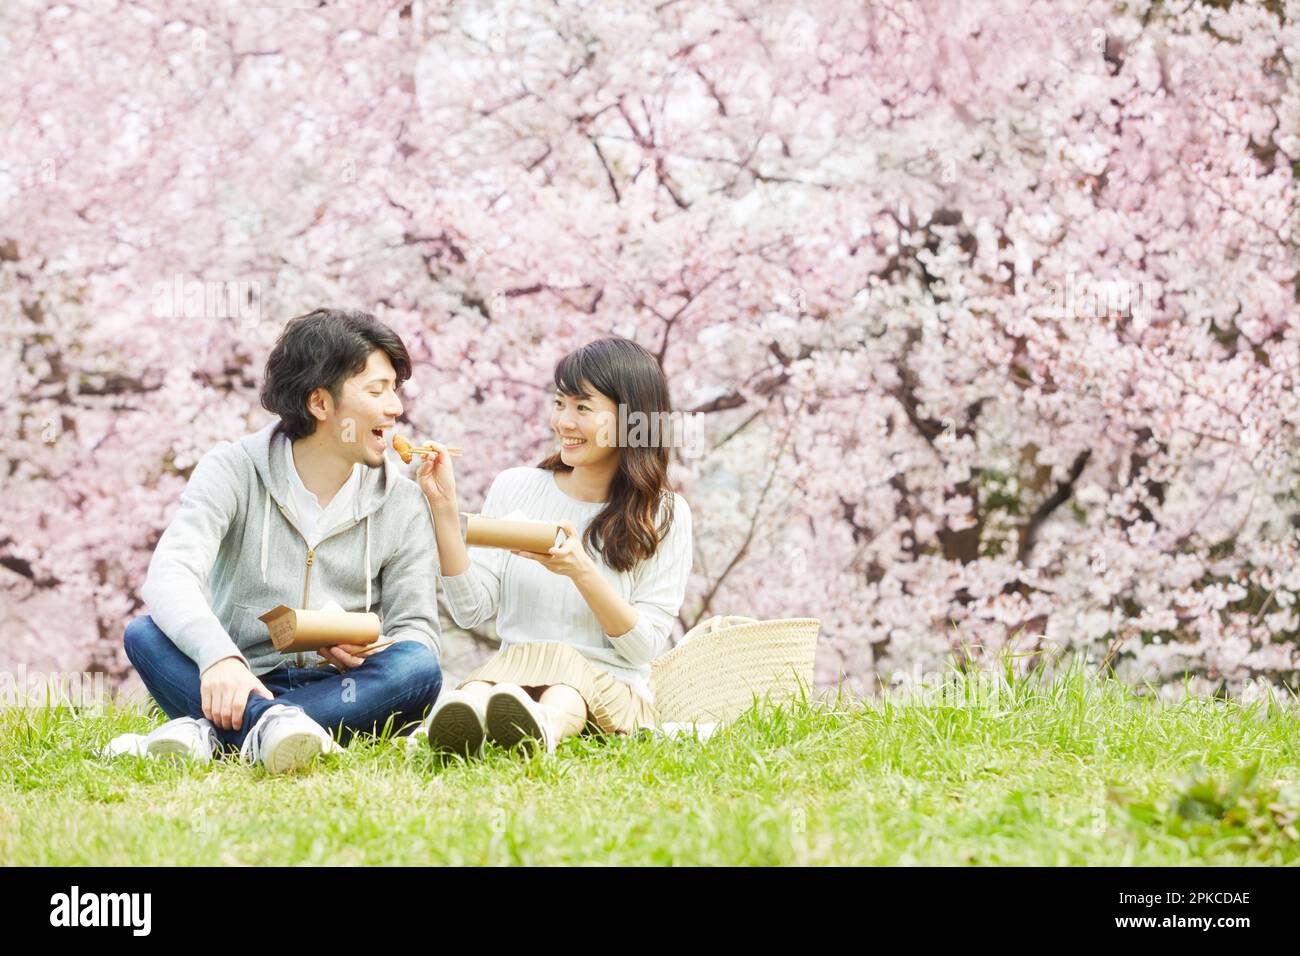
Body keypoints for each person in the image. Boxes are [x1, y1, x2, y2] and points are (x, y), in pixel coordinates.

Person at [111, 308, 443, 773]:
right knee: (144, 633)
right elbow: (171, 574)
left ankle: (219, 735)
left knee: (417, 668)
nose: (396, 408)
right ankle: (271, 727)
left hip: (342, 687)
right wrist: (220, 657)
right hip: (238, 679)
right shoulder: (233, 468)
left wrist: (369, 647)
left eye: (395, 390)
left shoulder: (402, 501)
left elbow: (417, 632)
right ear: (320, 403)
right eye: (377, 390)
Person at [418, 336, 693, 757]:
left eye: (583, 408)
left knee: (565, 686)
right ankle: (453, 728)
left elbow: (643, 647)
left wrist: (581, 571)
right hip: (515, 674)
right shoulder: (517, 487)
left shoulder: (664, 514)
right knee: (481, 688)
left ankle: (541, 727)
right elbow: (470, 608)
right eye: (559, 403)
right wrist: (444, 510)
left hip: (609, 686)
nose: (563, 422)